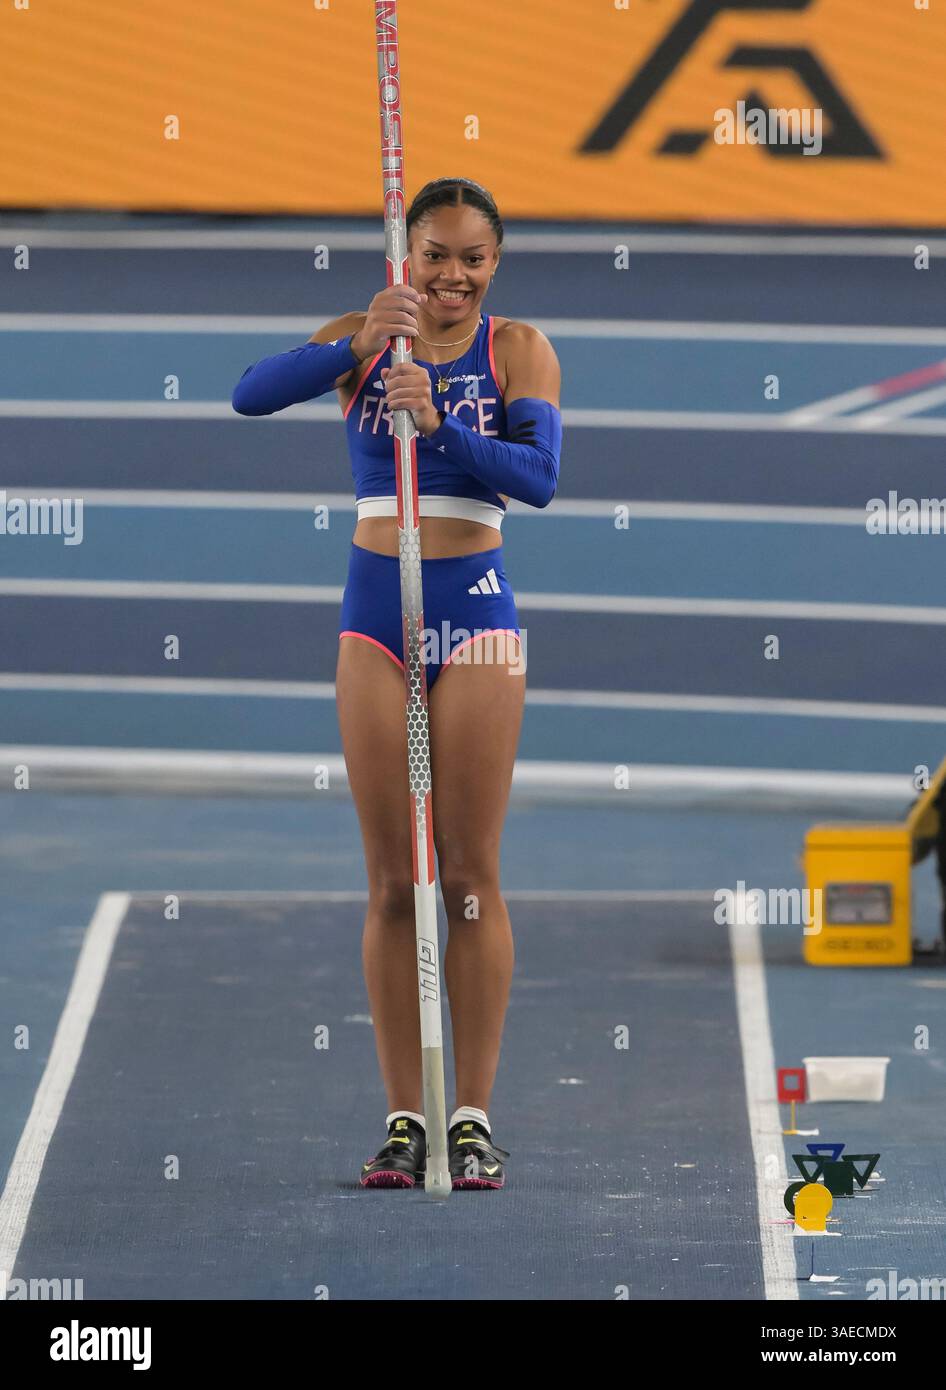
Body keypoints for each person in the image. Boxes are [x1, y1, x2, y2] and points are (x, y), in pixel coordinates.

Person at [233, 177, 562, 1189]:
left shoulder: (518, 349)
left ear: (493, 263)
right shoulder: (367, 331)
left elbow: (538, 478)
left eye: (471, 257)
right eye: (434, 255)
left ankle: (470, 1117)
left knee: (467, 877)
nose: (451, 275)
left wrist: (441, 427)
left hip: (478, 610)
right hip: (374, 612)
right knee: (391, 883)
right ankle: (402, 1120)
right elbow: (249, 393)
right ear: (405, 254)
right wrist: (356, 351)